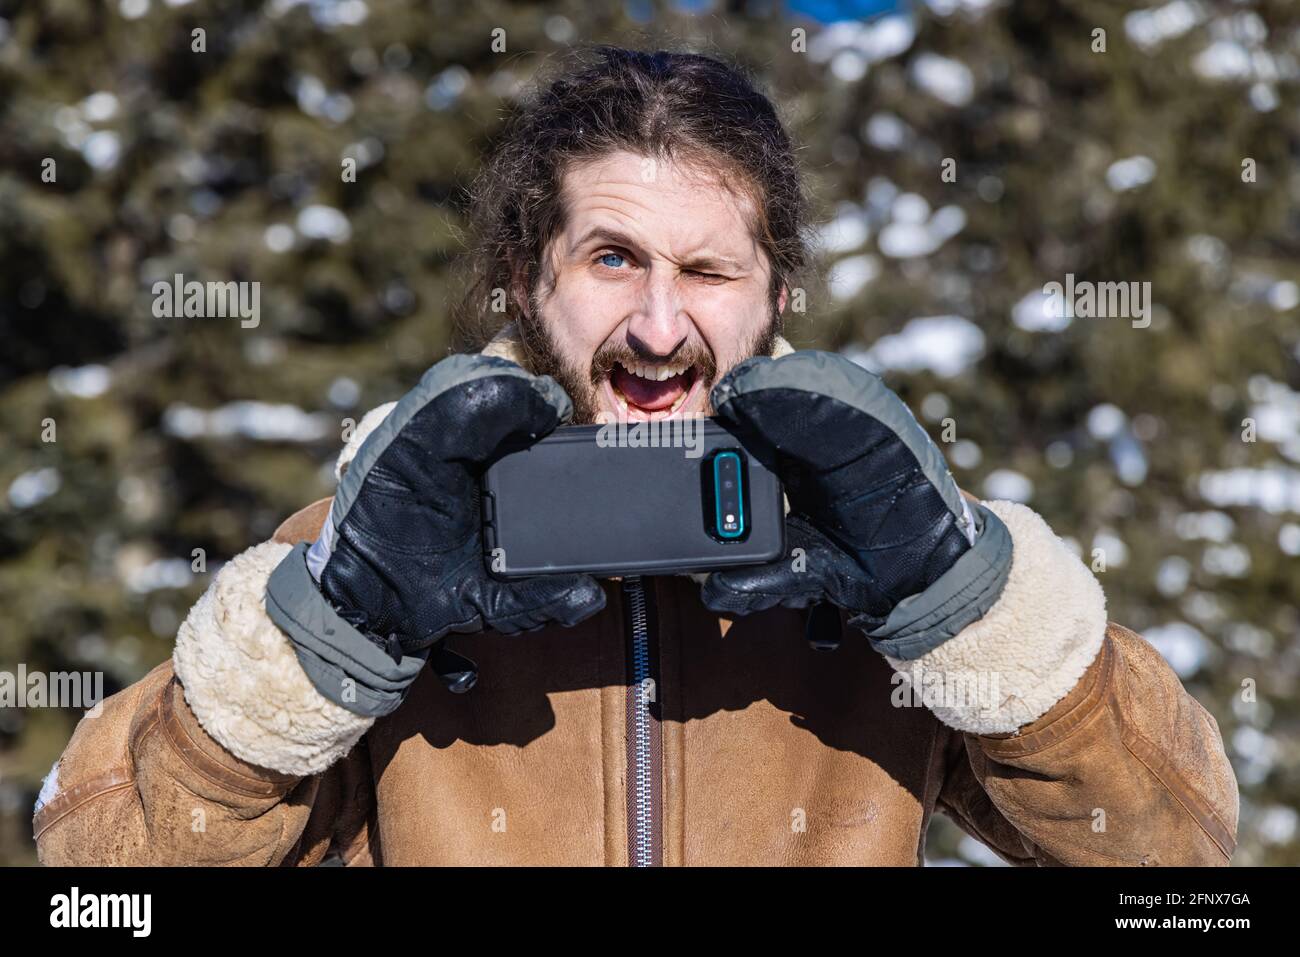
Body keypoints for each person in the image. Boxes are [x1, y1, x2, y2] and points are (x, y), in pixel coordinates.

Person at [34, 47, 1237, 866]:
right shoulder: (368, 546)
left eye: (708, 271)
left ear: (776, 296)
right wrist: (329, 636)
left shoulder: (889, 541)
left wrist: (965, 604)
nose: (660, 329)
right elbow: (100, 878)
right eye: (612, 258)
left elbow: (1180, 868)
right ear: (525, 278)